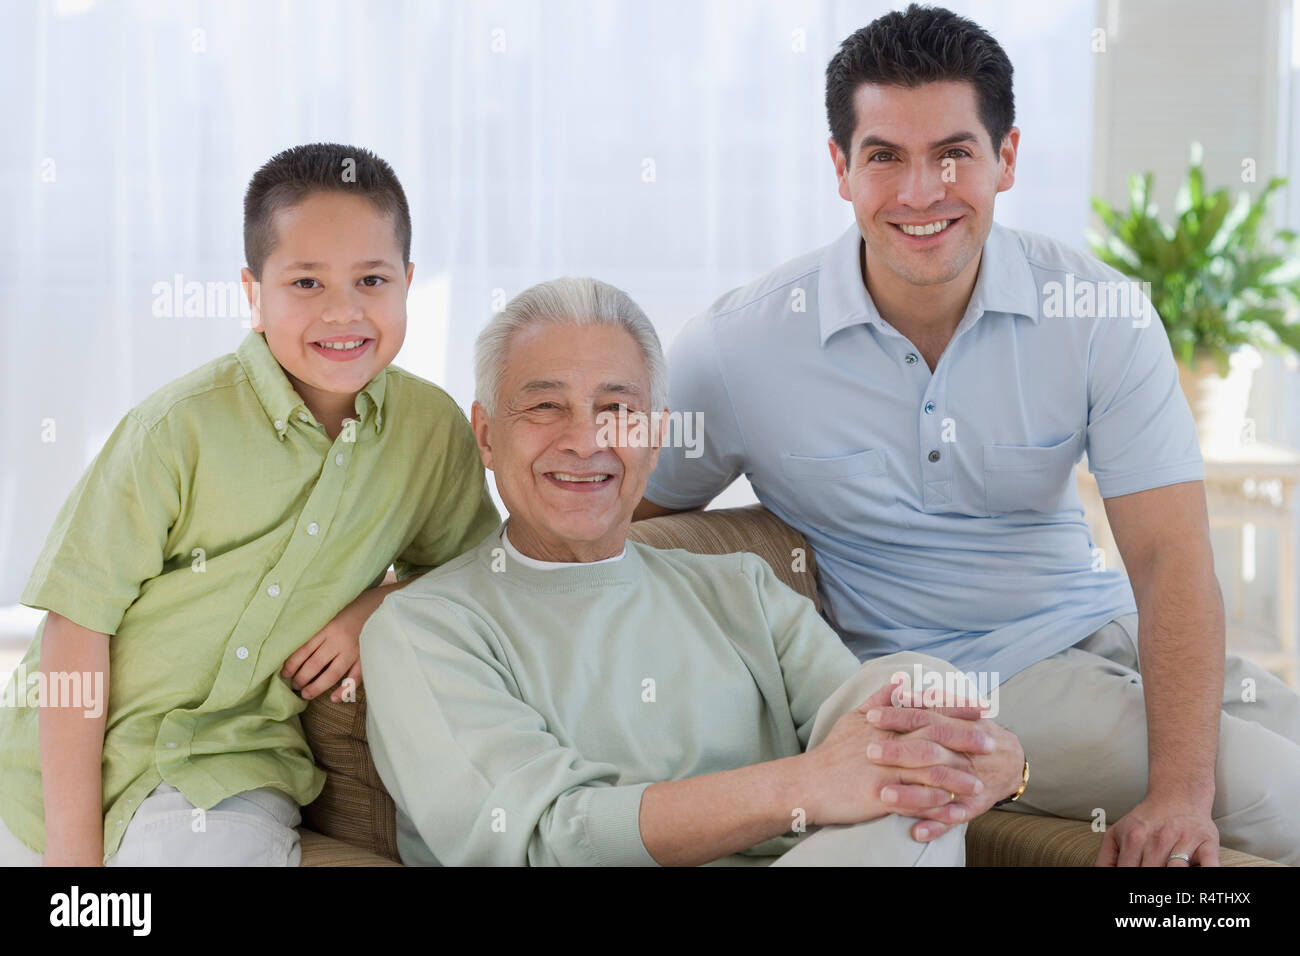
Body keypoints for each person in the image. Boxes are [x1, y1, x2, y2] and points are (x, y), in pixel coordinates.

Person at [635, 4, 1300, 866]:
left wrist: (1179, 794)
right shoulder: (738, 349)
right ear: (841, 168)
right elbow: (616, 517)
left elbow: (1172, 557)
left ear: (1006, 159)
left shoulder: (1095, 312)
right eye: (885, 157)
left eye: (954, 153)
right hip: (955, 687)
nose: (921, 193)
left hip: (1101, 626)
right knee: (1276, 791)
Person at [360, 276, 1027, 867]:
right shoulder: (423, 629)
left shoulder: (742, 588)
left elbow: (871, 740)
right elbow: (549, 840)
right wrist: (802, 785)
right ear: (485, 435)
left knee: (915, 696)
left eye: (617, 409)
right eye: (544, 406)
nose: (586, 440)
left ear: (655, 437)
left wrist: (997, 763)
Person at [0, 143, 500, 866]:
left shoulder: (430, 433)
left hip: (228, 768)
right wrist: (74, 862)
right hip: (57, 768)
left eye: (371, 279)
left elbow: (477, 570)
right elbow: (77, 626)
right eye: (305, 282)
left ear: (407, 283)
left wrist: (381, 606)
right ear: (252, 292)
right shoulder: (177, 428)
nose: (343, 310)